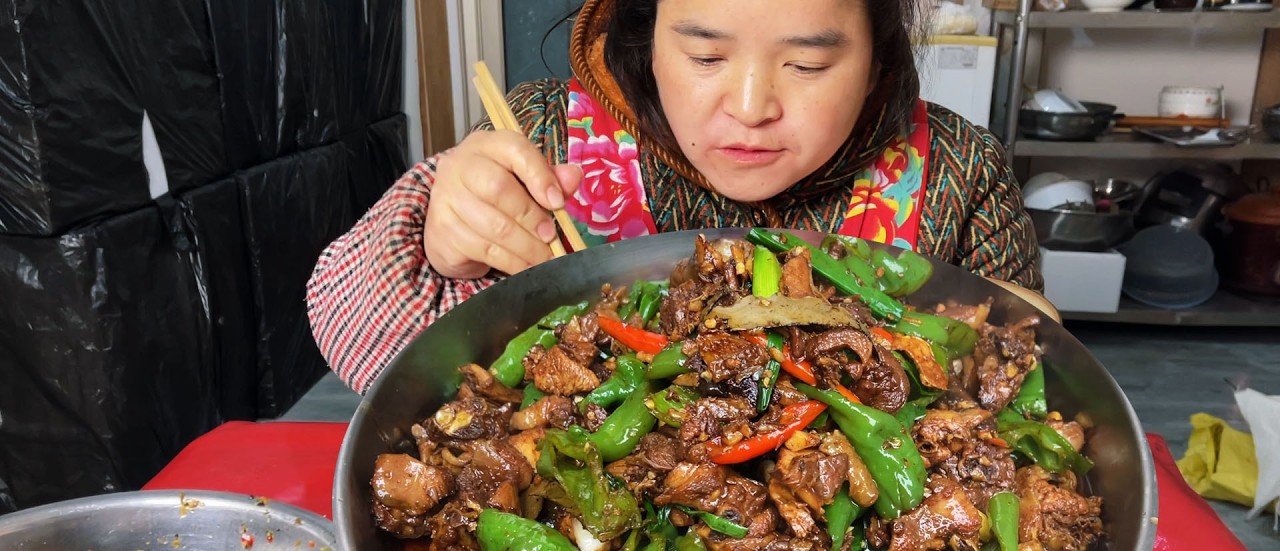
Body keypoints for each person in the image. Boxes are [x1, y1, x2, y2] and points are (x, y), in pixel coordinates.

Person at [307, 0, 1045, 395]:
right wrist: (442, 246)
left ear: (879, 52)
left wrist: (1026, 343)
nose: (752, 106)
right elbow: (360, 351)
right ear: (643, 32)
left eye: (808, 62)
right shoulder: (544, 138)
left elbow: (1035, 377)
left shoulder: (960, 169)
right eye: (705, 56)